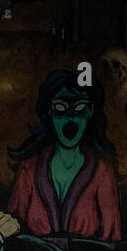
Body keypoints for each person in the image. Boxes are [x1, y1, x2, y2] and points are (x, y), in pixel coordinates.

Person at [8, 70, 120, 239]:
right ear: (49, 111)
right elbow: (10, 229)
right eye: (60, 107)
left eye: (80, 108)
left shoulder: (102, 170)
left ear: (90, 111)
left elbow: (112, 236)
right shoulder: (29, 168)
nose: (70, 117)